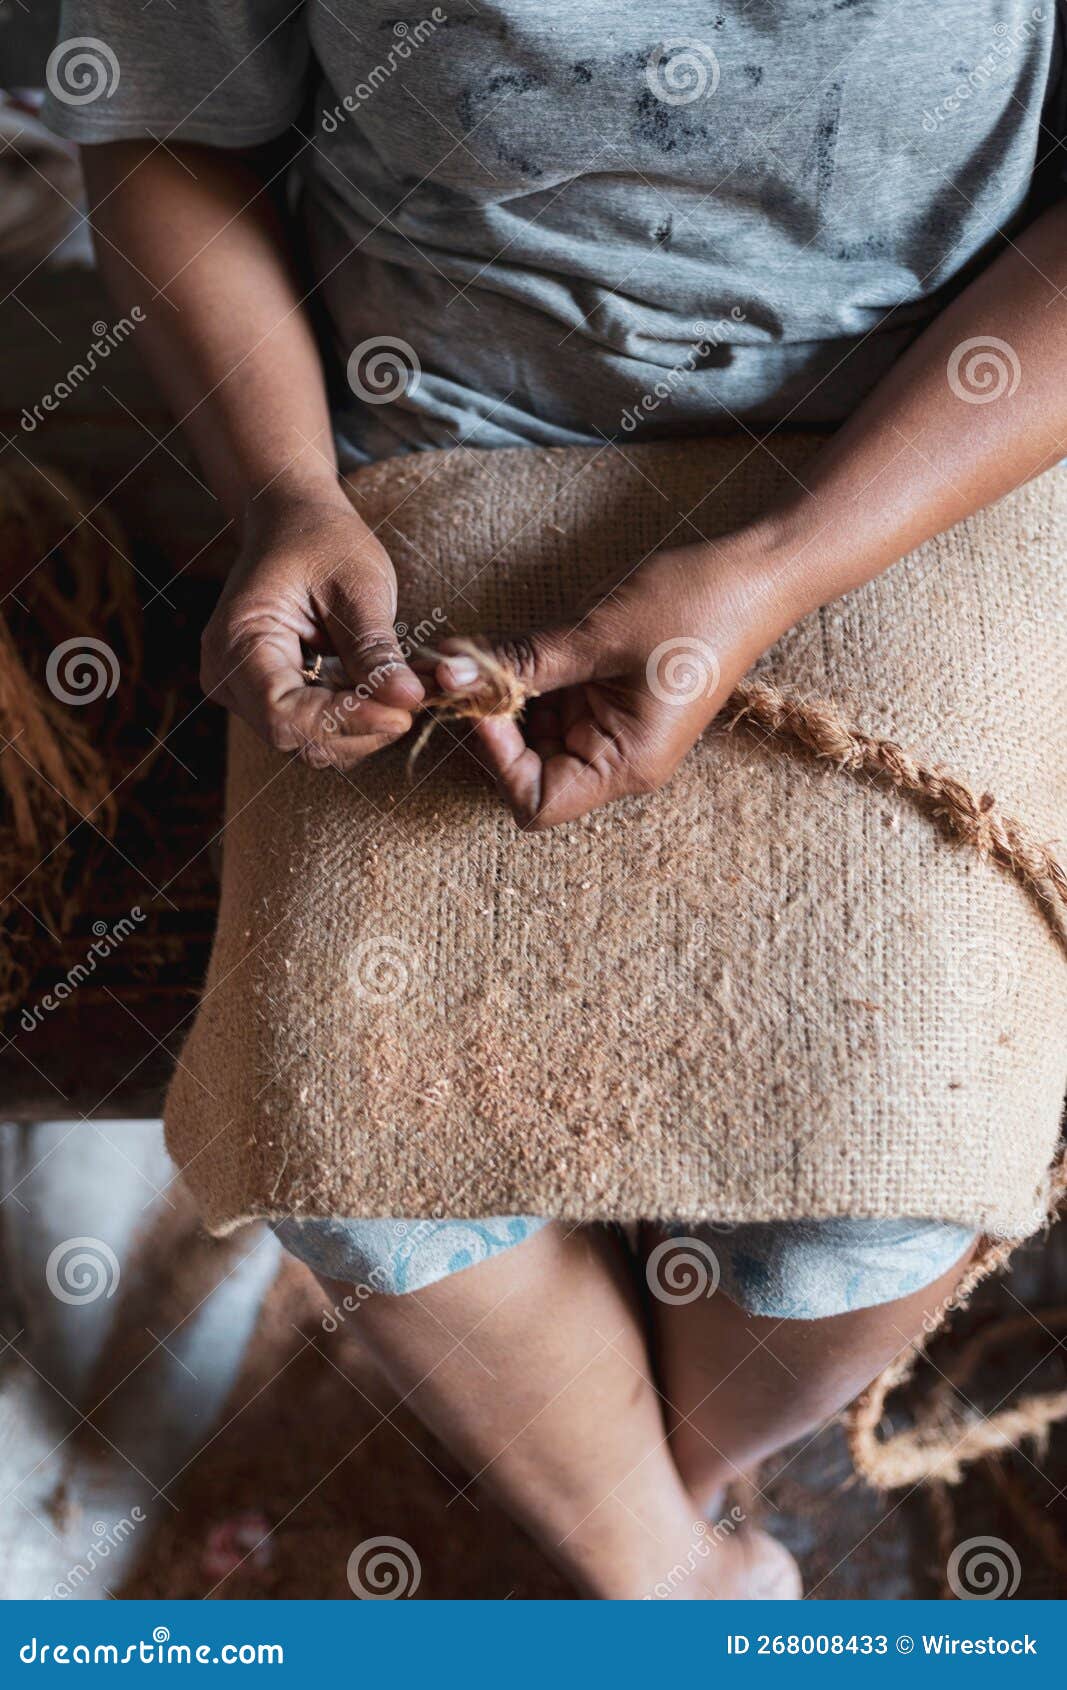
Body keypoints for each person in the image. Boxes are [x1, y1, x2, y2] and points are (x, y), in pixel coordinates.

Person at [44, 2, 1067, 1598]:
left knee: (895, 1171)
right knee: (345, 1137)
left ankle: (677, 1460)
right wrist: (287, 489)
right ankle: (659, 1551)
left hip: (918, 446)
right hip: (417, 449)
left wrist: (783, 565)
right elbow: (167, 126)